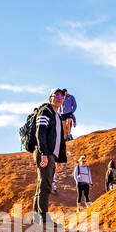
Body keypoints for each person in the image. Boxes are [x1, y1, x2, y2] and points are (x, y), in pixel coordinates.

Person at [32, 89, 66, 218]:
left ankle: (37, 216)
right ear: (50, 97)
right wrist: (44, 153)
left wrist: (60, 159)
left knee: (44, 184)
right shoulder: (45, 111)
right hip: (44, 153)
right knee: (45, 185)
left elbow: (60, 140)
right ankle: (43, 217)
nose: (59, 98)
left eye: (62, 96)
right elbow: (40, 132)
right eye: (56, 95)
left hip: (52, 155)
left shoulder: (57, 116)